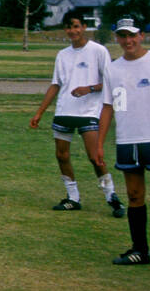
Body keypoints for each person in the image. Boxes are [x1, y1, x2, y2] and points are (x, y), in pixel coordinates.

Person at [29, 11, 123, 215]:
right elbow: (56, 84)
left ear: (83, 27)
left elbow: (110, 82)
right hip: (64, 111)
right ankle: (73, 198)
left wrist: (88, 89)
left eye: (76, 26)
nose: (72, 31)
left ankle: (112, 196)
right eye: (68, 27)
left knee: (94, 157)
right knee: (62, 155)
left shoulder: (98, 51)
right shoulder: (62, 54)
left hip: (89, 112)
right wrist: (40, 112)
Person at [99, 19, 150, 269]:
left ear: (141, 35)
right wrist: (99, 143)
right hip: (128, 139)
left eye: (132, 35)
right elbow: (109, 106)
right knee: (134, 195)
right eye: (122, 36)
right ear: (117, 38)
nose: (127, 41)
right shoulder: (113, 69)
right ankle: (140, 250)